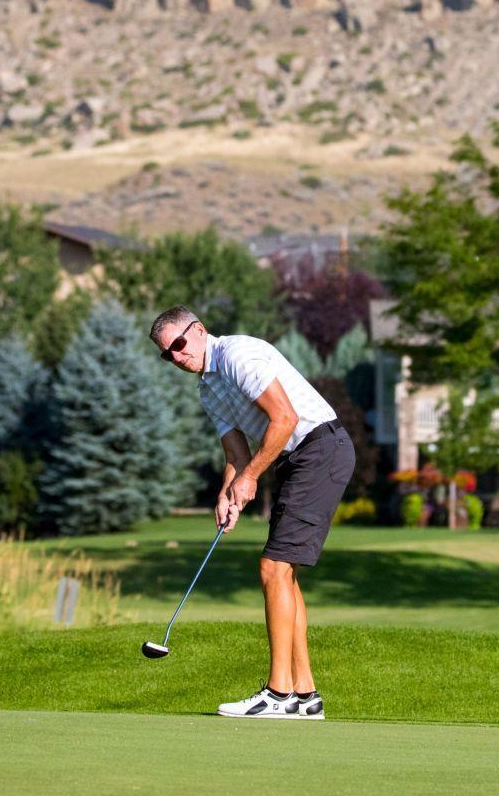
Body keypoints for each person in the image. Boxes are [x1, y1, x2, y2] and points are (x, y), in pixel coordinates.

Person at [150, 304, 355, 720]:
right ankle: (304, 694)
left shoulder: (238, 356)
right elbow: (235, 451)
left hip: (320, 448)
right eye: (166, 354)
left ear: (199, 330)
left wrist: (250, 479)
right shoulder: (208, 388)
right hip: (299, 459)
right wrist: (228, 492)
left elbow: (285, 418)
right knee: (284, 575)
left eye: (178, 345)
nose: (175, 357)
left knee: (272, 568)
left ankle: (278, 694)